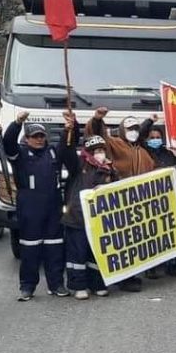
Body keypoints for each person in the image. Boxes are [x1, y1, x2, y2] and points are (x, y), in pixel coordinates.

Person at [84, 108, 158, 290]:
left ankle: (132, 275)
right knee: (120, 241)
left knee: (134, 242)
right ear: (122, 130)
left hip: (140, 202)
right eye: (129, 128)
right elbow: (97, 137)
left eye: (135, 128)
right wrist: (97, 119)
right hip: (119, 202)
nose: (133, 131)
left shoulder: (143, 151)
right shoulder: (114, 144)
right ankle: (122, 279)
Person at [3, 112, 73, 300]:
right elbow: (7, 141)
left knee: (55, 247)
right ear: (27, 139)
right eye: (35, 136)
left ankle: (56, 284)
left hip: (53, 207)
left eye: (41, 136)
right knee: (30, 248)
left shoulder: (52, 152)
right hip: (29, 207)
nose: (39, 140)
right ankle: (27, 286)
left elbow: (67, 145)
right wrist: (17, 123)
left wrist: (69, 129)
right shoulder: (19, 154)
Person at [63, 124, 117, 299]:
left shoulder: (109, 169)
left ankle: (97, 284)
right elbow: (66, 150)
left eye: (102, 149)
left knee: (97, 253)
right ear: (87, 152)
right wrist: (69, 131)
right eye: (95, 150)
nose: (99, 153)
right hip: (77, 218)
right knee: (77, 253)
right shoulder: (78, 166)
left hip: (99, 221)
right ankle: (78, 285)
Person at [145, 125, 176, 276]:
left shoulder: (168, 154)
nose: (155, 140)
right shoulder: (144, 153)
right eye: (152, 138)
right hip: (150, 197)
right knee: (152, 232)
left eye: (157, 137)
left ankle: (171, 264)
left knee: (169, 231)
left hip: (168, 197)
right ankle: (151, 267)